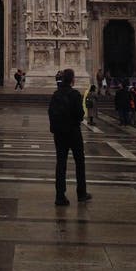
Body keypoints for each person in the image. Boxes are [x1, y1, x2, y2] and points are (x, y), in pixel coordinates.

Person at [48, 68, 91, 206]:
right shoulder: (75, 94)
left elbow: (50, 112)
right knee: (80, 163)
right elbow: (80, 114)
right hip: (73, 132)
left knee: (61, 164)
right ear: (72, 80)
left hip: (59, 133)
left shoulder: (56, 94)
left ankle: (60, 196)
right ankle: (81, 193)